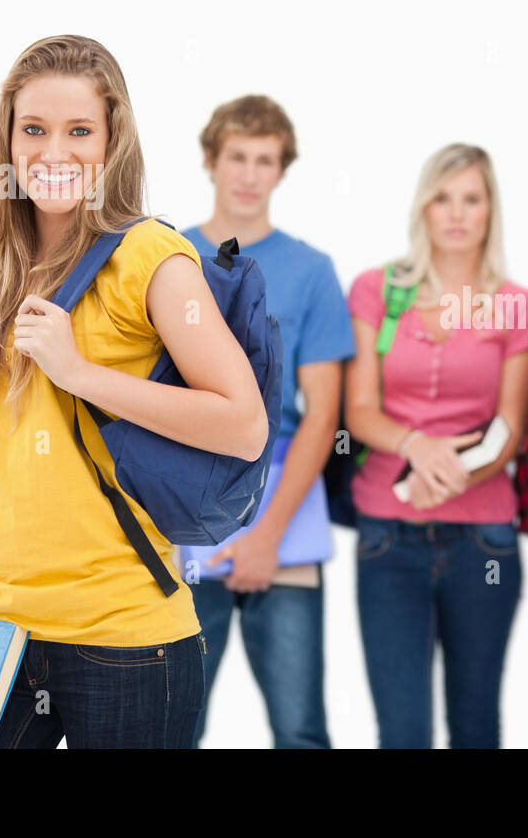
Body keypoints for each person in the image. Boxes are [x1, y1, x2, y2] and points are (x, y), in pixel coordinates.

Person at [0, 35, 268, 748]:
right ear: (7, 138)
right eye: (33, 129)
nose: (53, 151)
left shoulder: (151, 260)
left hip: (132, 645)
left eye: (79, 131)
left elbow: (243, 424)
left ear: (111, 141)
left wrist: (81, 374)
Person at [344, 143, 528, 748]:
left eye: (472, 199)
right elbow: (359, 410)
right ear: (424, 208)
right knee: (402, 730)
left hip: (484, 539)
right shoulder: (377, 290)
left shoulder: (518, 307)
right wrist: (417, 448)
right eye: (443, 198)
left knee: (476, 723)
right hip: (386, 539)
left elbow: (510, 429)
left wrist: (447, 474)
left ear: (490, 210)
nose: (457, 213)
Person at [177, 95, 354, 748]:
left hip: (283, 508)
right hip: (182, 510)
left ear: (282, 169)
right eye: (237, 158)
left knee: (300, 727)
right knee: (173, 726)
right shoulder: (165, 257)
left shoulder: (312, 272)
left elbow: (323, 414)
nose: (249, 175)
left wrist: (266, 536)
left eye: (265, 160)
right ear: (210, 160)